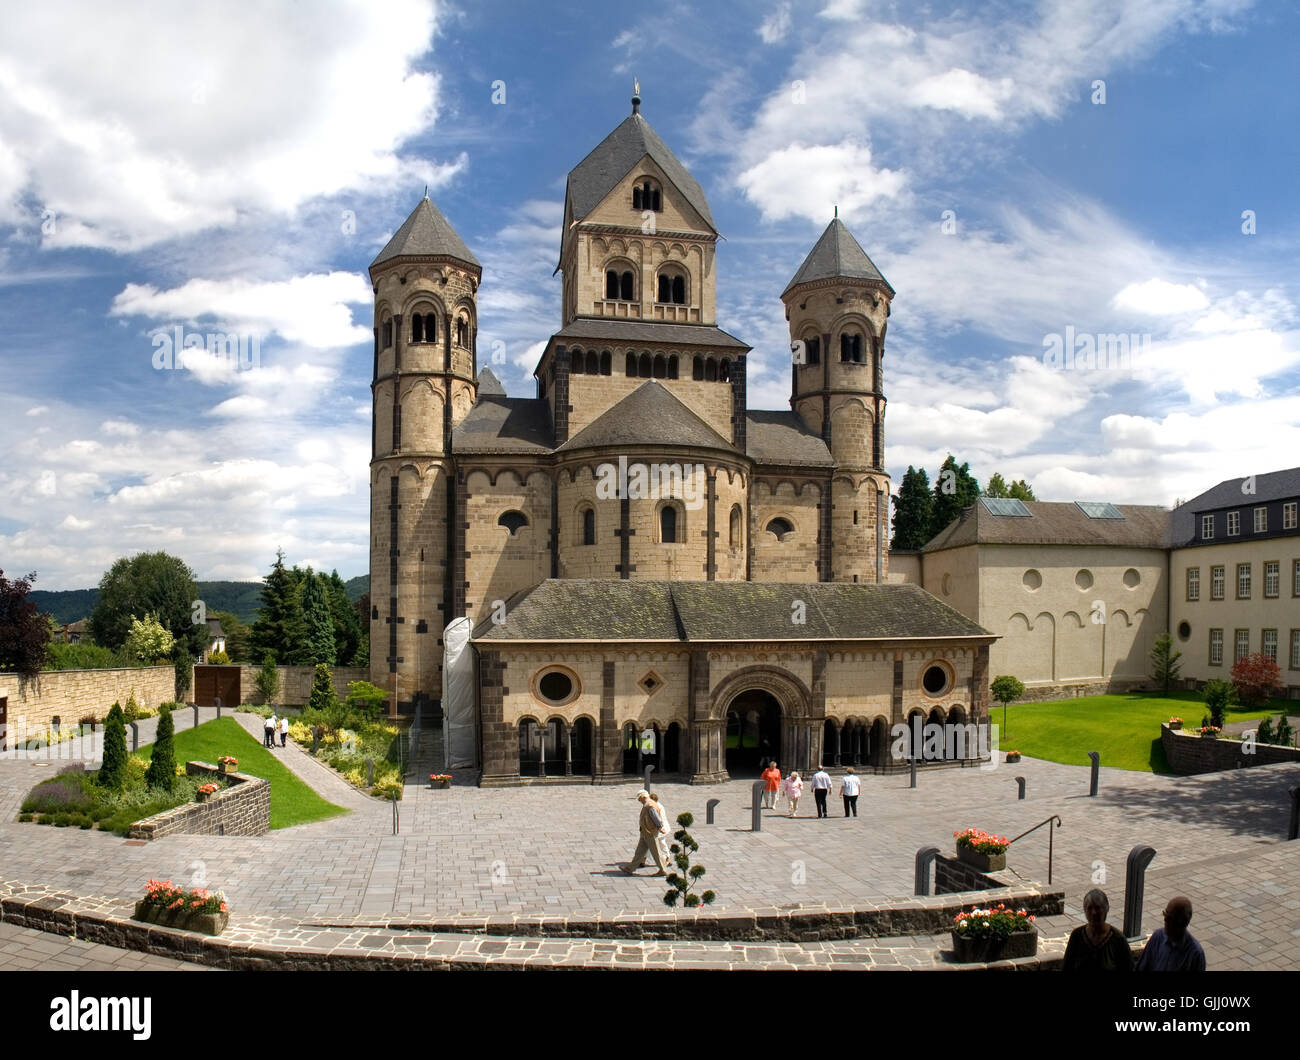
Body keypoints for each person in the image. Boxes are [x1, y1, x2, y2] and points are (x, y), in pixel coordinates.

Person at [1062, 889, 1133, 971]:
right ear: (1085, 910)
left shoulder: (1118, 939)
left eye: (1098, 908)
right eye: (1089, 908)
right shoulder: (1076, 936)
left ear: (1106, 909)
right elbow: (1067, 967)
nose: (1094, 913)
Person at [1136, 896, 1206, 971]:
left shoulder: (1195, 954)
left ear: (1183, 922)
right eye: (1165, 914)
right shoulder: (1158, 937)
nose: (1165, 919)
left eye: (1170, 917)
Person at [621, 790, 670, 876]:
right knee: (639, 852)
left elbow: (655, 817)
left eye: (640, 799)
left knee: (656, 853)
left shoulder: (650, 806)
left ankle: (663, 870)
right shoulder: (647, 804)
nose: (639, 801)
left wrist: (660, 827)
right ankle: (630, 868)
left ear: (644, 797)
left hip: (650, 833)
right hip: (645, 832)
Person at [649, 792, 672, 870]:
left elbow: (660, 819)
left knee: (661, 843)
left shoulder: (656, 807)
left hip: (660, 829)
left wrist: (660, 828)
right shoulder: (657, 805)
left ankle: (667, 857)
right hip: (658, 828)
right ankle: (643, 859)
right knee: (649, 843)